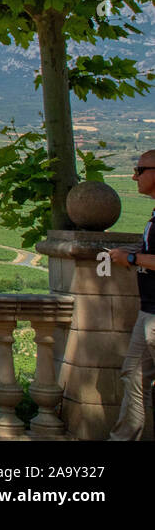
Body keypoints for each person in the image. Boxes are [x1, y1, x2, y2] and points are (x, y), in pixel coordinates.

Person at [105, 153, 155, 439]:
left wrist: (134, 258)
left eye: (140, 170)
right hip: (148, 313)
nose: (134, 176)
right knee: (133, 377)